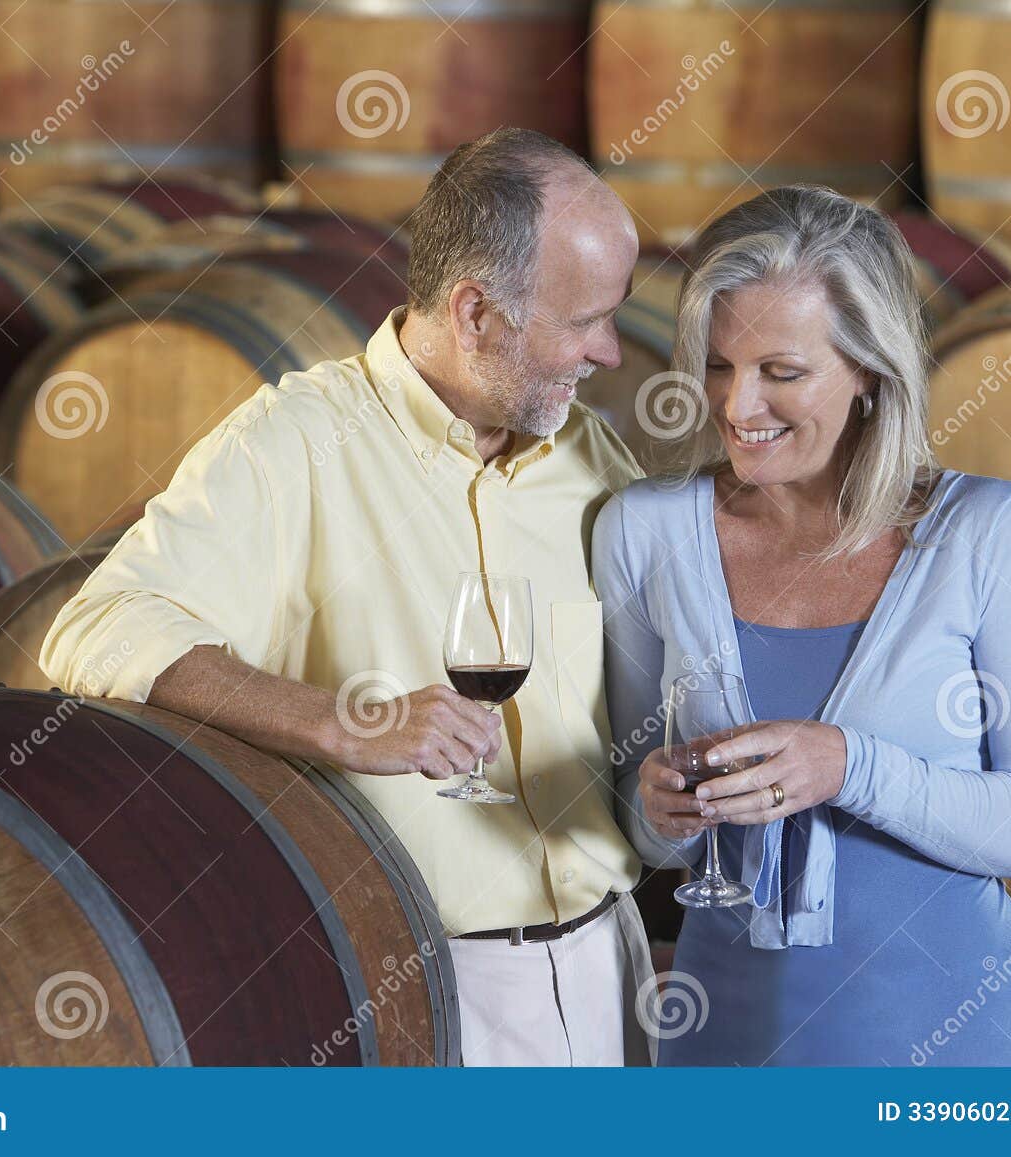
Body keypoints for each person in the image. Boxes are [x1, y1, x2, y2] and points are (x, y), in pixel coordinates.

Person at [40, 128, 656, 1066]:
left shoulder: (590, 456)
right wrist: (338, 723)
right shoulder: (295, 443)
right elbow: (99, 624)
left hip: (616, 971)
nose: (610, 352)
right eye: (584, 321)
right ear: (477, 313)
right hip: (430, 987)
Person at [591, 185, 1011, 1066]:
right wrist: (658, 807)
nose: (739, 405)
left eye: (782, 372)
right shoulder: (645, 529)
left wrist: (849, 765)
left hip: (964, 1054)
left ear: (869, 369)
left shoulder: (985, 531)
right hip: (726, 1048)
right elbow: (638, 815)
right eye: (717, 364)